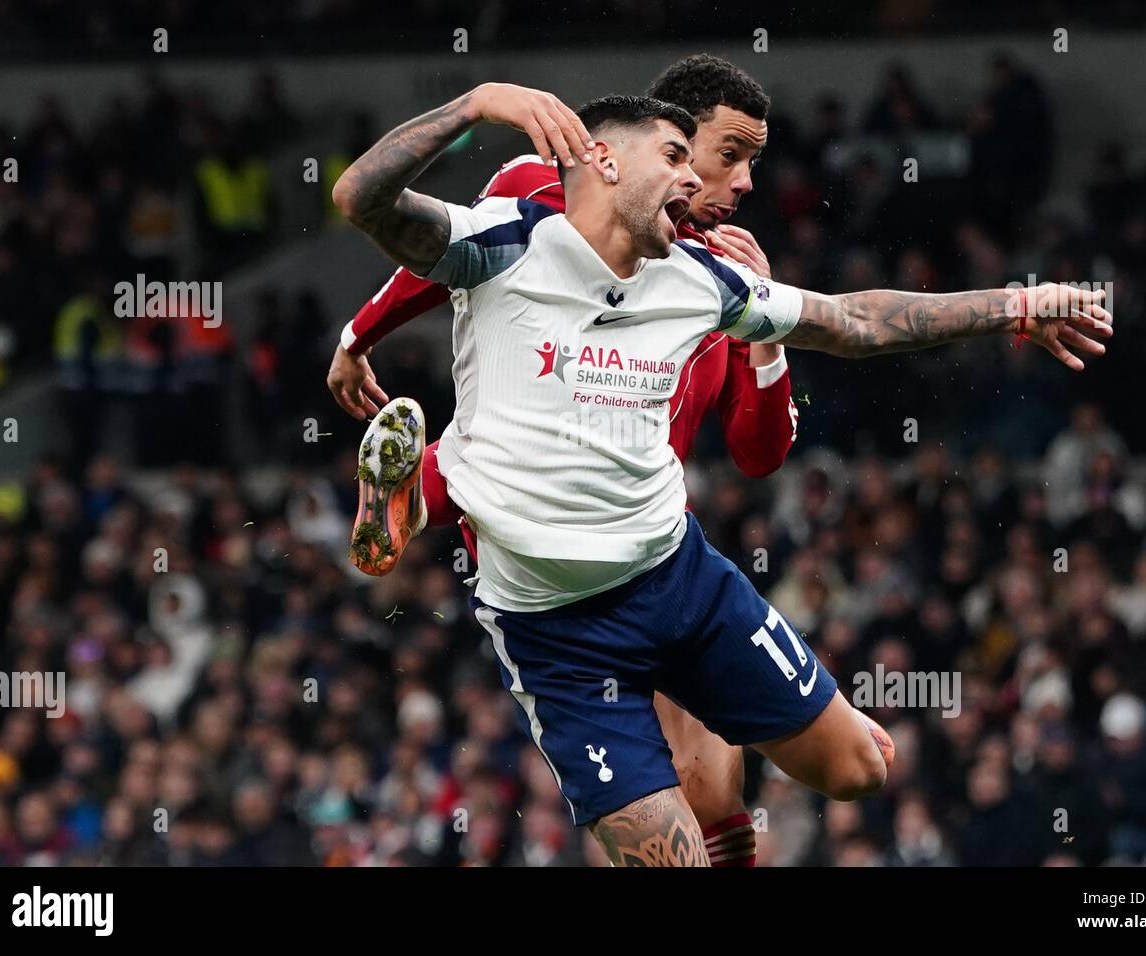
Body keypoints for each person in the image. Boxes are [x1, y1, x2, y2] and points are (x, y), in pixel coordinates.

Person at [331, 83, 1112, 865]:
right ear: (602, 160)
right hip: (557, 632)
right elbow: (363, 200)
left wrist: (1013, 303)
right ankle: (415, 496)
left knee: (859, 771)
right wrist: (476, 105)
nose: (699, 181)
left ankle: (418, 495)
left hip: (678, 581)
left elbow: (855, 322)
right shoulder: (507, 236)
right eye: (677, 158)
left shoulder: (704, 280)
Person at [329, 55, 798, 866]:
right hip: (542, 516)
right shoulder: (549, 195)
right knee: (494, 462)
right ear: (669, 147)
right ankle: (413, 494)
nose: (746, 181)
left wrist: (771, 338)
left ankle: (413, 491)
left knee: (714, 786)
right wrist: (358, 336)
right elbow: (443, 257)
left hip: (646, 529)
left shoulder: (720, 279)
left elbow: (760, 456)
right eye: (731, 155)